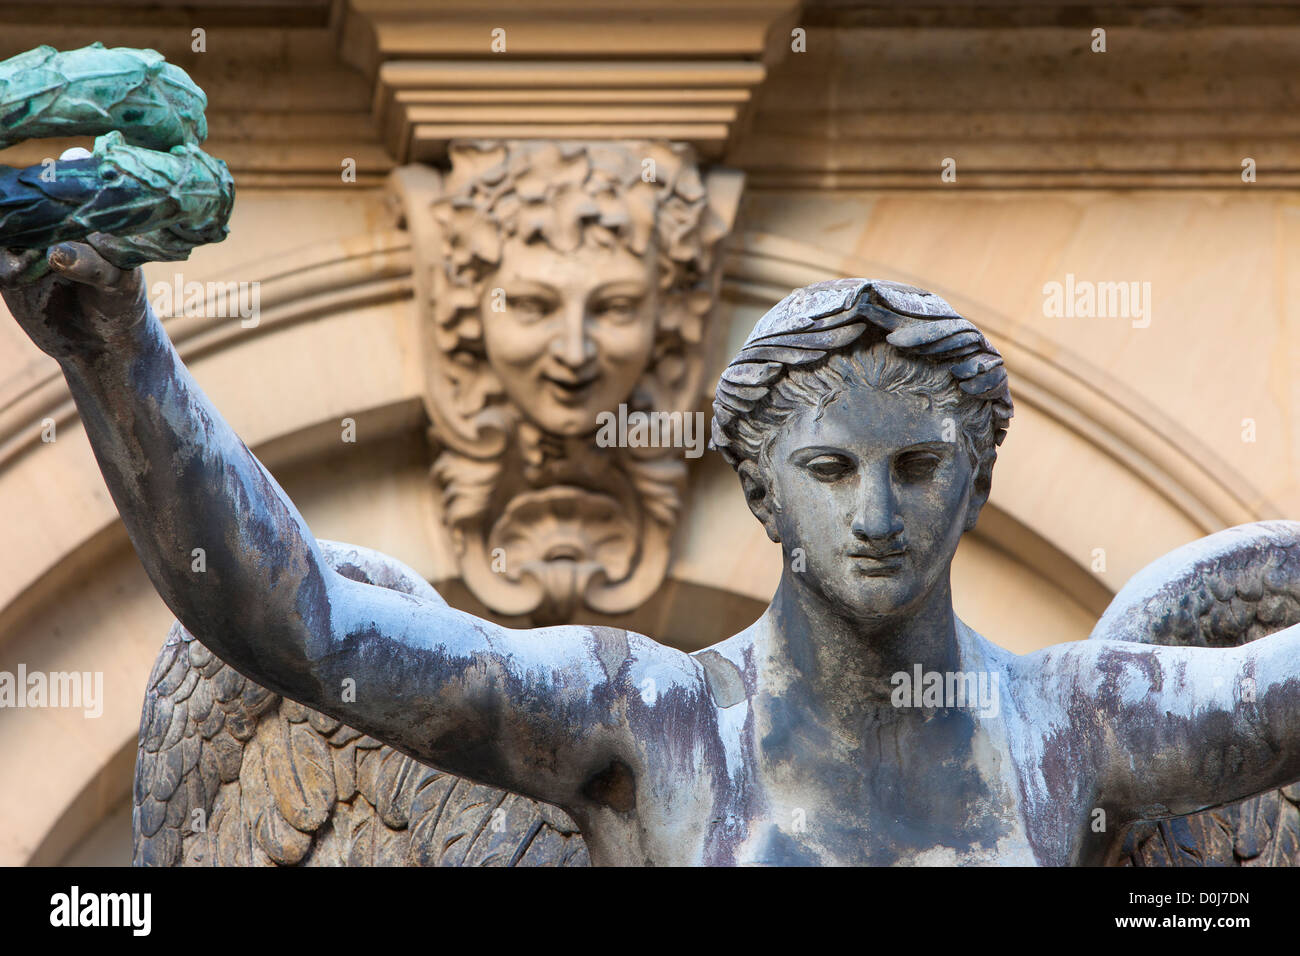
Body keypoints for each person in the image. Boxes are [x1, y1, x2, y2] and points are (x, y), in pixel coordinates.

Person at [3, 248, 1297, 865]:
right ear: (765, 495)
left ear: (976, 480)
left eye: (918, 469)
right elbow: (308, 625)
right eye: (833, 472)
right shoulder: (649, 718)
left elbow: (1271, 689)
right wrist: (124, 358)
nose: (879, 518)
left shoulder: (1078, 721)